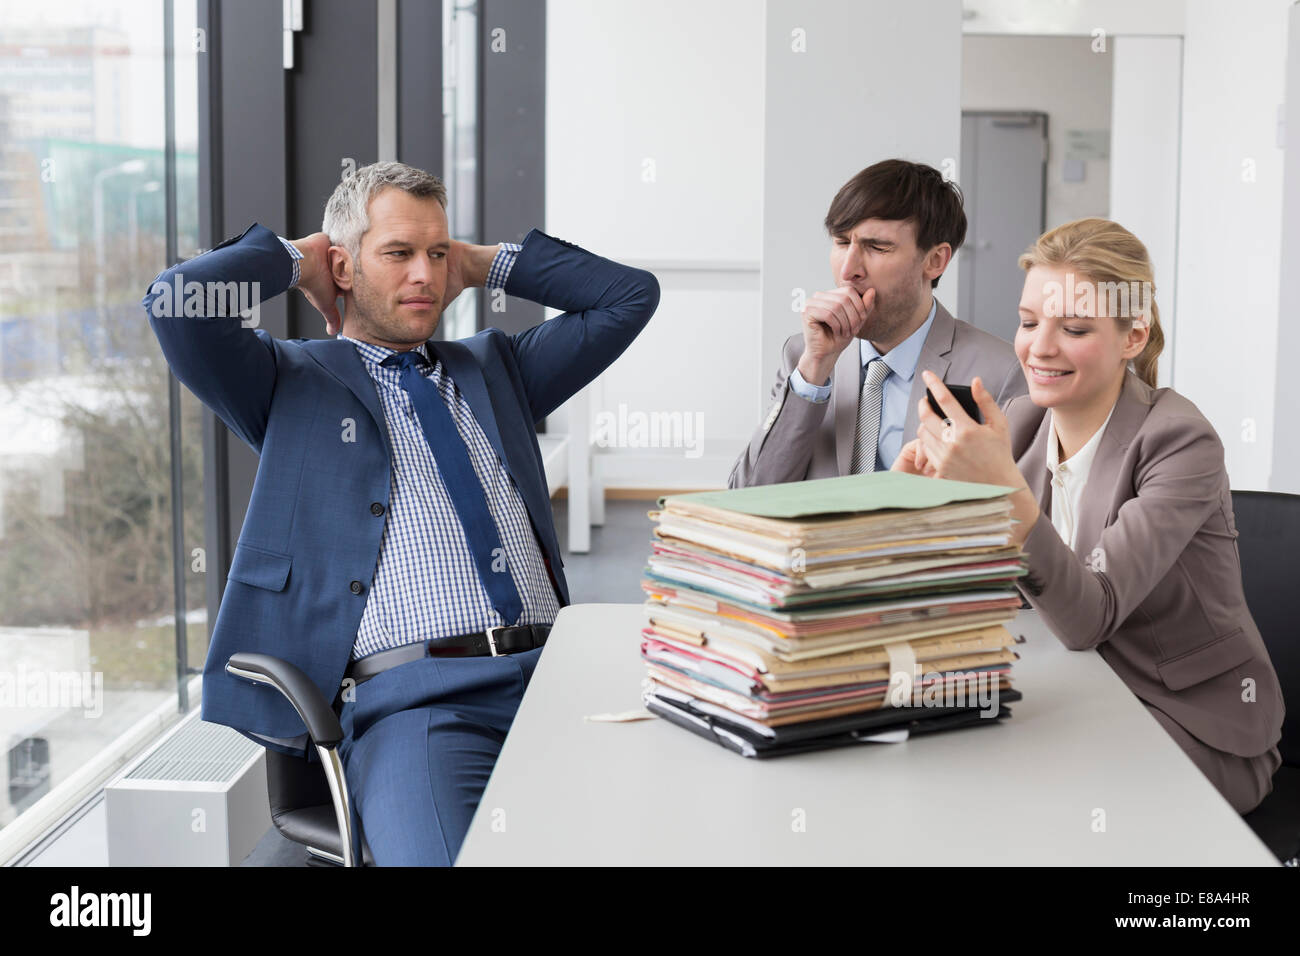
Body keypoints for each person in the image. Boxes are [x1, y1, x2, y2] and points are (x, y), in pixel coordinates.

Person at [142, 161, 660, 864]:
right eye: (398, 253)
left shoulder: (497, 368)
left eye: (436, 253)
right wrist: (298, 260)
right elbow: (179, 303)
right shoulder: (291, 382)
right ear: (346, 266)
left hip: (561, 674)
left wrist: (479, 264)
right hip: (421, 705)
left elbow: (629, 298)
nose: (425, 275)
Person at [893, 217, 1284, 814]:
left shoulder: (1181, 442)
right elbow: (961, 599)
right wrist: (915, 509)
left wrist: (1000, 491)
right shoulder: (1019, 425)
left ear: (1133, 337)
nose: (1039, 347)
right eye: (1028, 323)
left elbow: (1087, 616)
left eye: (1073, 328)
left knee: (1031, 806)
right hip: (1072, 697)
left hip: (1185, 722)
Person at [729, 159, 1027, 487]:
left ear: (935, 260)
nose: (848, 270)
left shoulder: (999, 372)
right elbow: (748, 493)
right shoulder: (802, 353)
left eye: (877, 247)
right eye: (842, 243)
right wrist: (815, 369)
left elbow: (1009, 513)